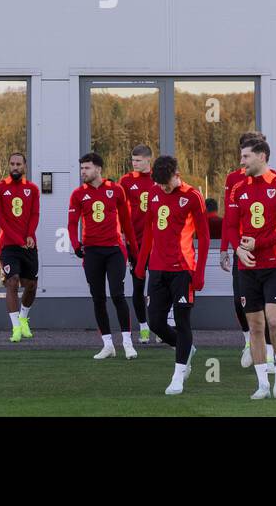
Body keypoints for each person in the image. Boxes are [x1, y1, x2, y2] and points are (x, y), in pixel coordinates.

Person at [223, 139, 276, 400]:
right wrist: (238, 249)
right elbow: (231, 226)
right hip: (247, 266)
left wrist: (259, 243)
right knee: (255, 326)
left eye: (246, 156)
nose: (241, 161)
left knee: (274, 321)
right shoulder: (237, 188)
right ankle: (263, 383)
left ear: (262, 156)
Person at [135, 154, 210, 396]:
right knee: (155, 322)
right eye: (159, 184)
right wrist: (141, 263)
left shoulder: (192, 196)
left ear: (177, 174)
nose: (163, 188)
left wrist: (199, 273)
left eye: (167, 183)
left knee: (182, 321)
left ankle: (178, 376)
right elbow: (149, 229)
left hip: (183, 271)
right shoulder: (155, 194)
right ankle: (185, 348)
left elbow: (205, 237)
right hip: (157, 269)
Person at [67, 152, 137, 360]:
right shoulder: (78, 194)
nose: (83, 172)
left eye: (86, 168)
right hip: (92, 252)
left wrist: (133, 248)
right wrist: (76, 245)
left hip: (114, 250)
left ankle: (127, 343)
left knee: (117, 294)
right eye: (81, 169)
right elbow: (72, 223)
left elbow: (126, 222)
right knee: (98, 298)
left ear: (98, 169)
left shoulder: (116, 190)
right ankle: (108, 345)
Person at [221, 130, 272, 369]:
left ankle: (268, 350)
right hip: (241, 250)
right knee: (238, 300)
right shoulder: (233, 179)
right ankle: (248, 341)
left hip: (268, 252)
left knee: (269, 304)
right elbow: (228, 219)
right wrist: (226, 249)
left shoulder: (275, 180)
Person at [0, 152, 40, 343]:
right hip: (8, 245)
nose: (15, 167)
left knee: (31, 285)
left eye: (18, 164)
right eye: (12, 164)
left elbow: (35, 214)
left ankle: (23, 318)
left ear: (25, 167)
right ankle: (16, 328)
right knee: (12, 282)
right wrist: (16, 238)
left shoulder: (33, 189)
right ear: (8, 166)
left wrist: (28, 235)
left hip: (28, 244)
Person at [119, 145, 156, 344]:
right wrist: (123, 232)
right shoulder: (125, 181)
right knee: (138, 285)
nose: (135, 164)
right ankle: (143, 326)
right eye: (133, 160)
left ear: (148, 160)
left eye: (139, 160)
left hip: (156, 242)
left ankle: (159, 325)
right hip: (135, 241)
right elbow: (118, 209)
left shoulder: (157, 179)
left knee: (157, 286)